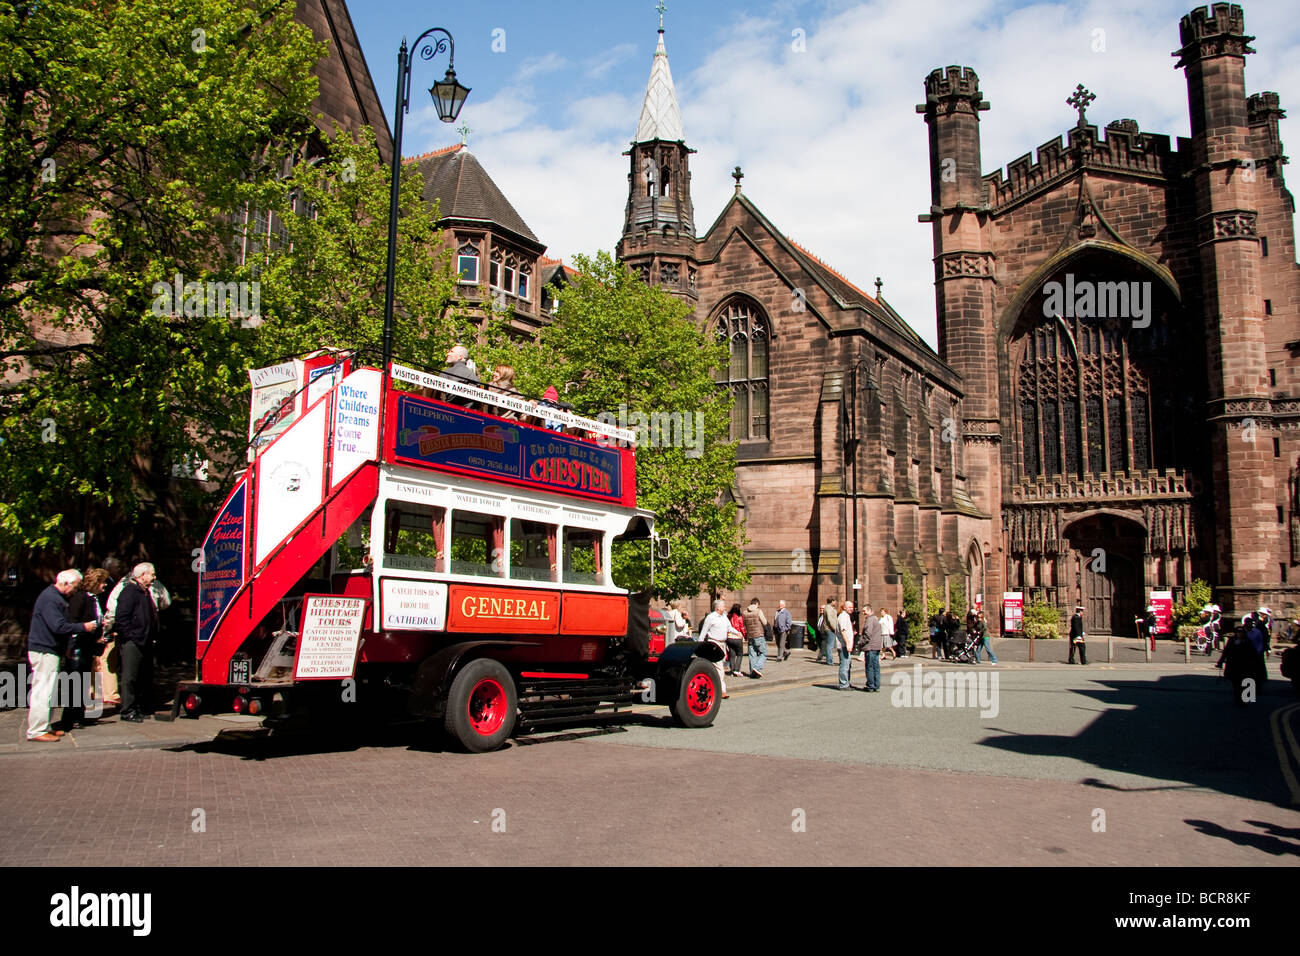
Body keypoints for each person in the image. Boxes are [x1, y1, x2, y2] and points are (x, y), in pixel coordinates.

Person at [27, 569, 98, 742]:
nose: (76, 590)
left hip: (50, 649)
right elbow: (58, 626)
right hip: (44, 650)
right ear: (65, 583)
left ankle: (44, 726)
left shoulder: (54, 598)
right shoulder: (51, 598)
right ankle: (37, 730)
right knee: (43, 691)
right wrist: (84, 627)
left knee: (48, 690)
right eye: (75, 586)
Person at [57, 567, 110, 731]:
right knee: (75, 683)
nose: (105, 586)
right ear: (95, 583)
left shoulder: (94, 599)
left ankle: (79, 715)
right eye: (103, 582)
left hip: (88, 645)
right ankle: (71, 718)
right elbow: (73, 622)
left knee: (84, 682)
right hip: (78, 646)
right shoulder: (81, 598)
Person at [116, 562, 160, 722]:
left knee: (142, 676)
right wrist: (130, 636)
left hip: (145, 641)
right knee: (130, 677)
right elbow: (122, 618)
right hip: (134, 641)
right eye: (152, 574)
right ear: (143, 575)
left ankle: (139, 707)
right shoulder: (129, 592)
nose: (154, 578)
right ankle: (128, 710)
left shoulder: (144, 593)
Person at [698, 599, 741, 699]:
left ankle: (712, 687)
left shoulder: (724, 617)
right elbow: (704, 631)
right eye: (723, 606)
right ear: (717, 608)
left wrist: (737, 632)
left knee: (719, 667)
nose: (725, 607)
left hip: (722, 644)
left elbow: (729, 627)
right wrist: (699, 645)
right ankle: (722, 691)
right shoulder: (710, 617)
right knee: (720, 668)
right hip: (714, 643)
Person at [1218, 626, 1259, 705]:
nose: (1239, 634)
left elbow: (1253, 653)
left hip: (1244, 665)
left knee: (1243, 682)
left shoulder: (1247, 641)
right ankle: (1238, 696)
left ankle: (1243, 698)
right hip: (1233, 665)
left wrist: (1254, 663)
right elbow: (1226, 651)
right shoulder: (1231, 641)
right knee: (1235, 682)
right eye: (1238, 632)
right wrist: (1220, 661)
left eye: (1241, 632)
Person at [859, 604, 883, 692]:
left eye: (864, 611)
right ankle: (876, 685)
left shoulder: (869, 620)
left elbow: (867, 634)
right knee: (876, 666)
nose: (863, 612)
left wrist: (860, 643)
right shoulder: (875, 619)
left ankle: (871, 685)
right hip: (876, 647)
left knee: (869, 667)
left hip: (870, 647)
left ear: (869, 611)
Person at [743, 598, 768, 678]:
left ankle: (752, 673)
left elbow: (744, 625)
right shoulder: (758, 611)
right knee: (763, 653)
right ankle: (757, 668)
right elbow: (764, 622)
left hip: (750, 636)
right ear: (757, 604)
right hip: (759, 635)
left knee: (752, 654)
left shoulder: (745, 612)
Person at [836, 600, 856, 690]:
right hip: (844, 645)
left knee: (848, 664)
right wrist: (848, 643)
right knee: (844, 664)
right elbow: (843, 631)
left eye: (852, 607)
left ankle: (847, 682)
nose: (851, 609)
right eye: (849, 607)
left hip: (846, 645)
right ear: (844, 607)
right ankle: (844, 684)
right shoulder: (843, 616)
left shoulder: (846, 616)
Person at [817, 596, 839, 665]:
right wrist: (834, 628)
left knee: (829, 645)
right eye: (835, 601)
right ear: (832, 601)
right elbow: (830, 619)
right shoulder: (829, 608)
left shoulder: (830, 608)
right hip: (830, 629)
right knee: (830, 646)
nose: (835, 602)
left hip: (829, 628)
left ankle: (829, 660)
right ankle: (829, 661)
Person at [726, 603, 746, 677]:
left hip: (729, 637)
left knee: (732, 655)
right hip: (737, 637)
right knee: (740, 654)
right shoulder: (739, 617)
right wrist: (744, 635)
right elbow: (742, 627)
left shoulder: (728, 616)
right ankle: (736, 670)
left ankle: (732, 670)